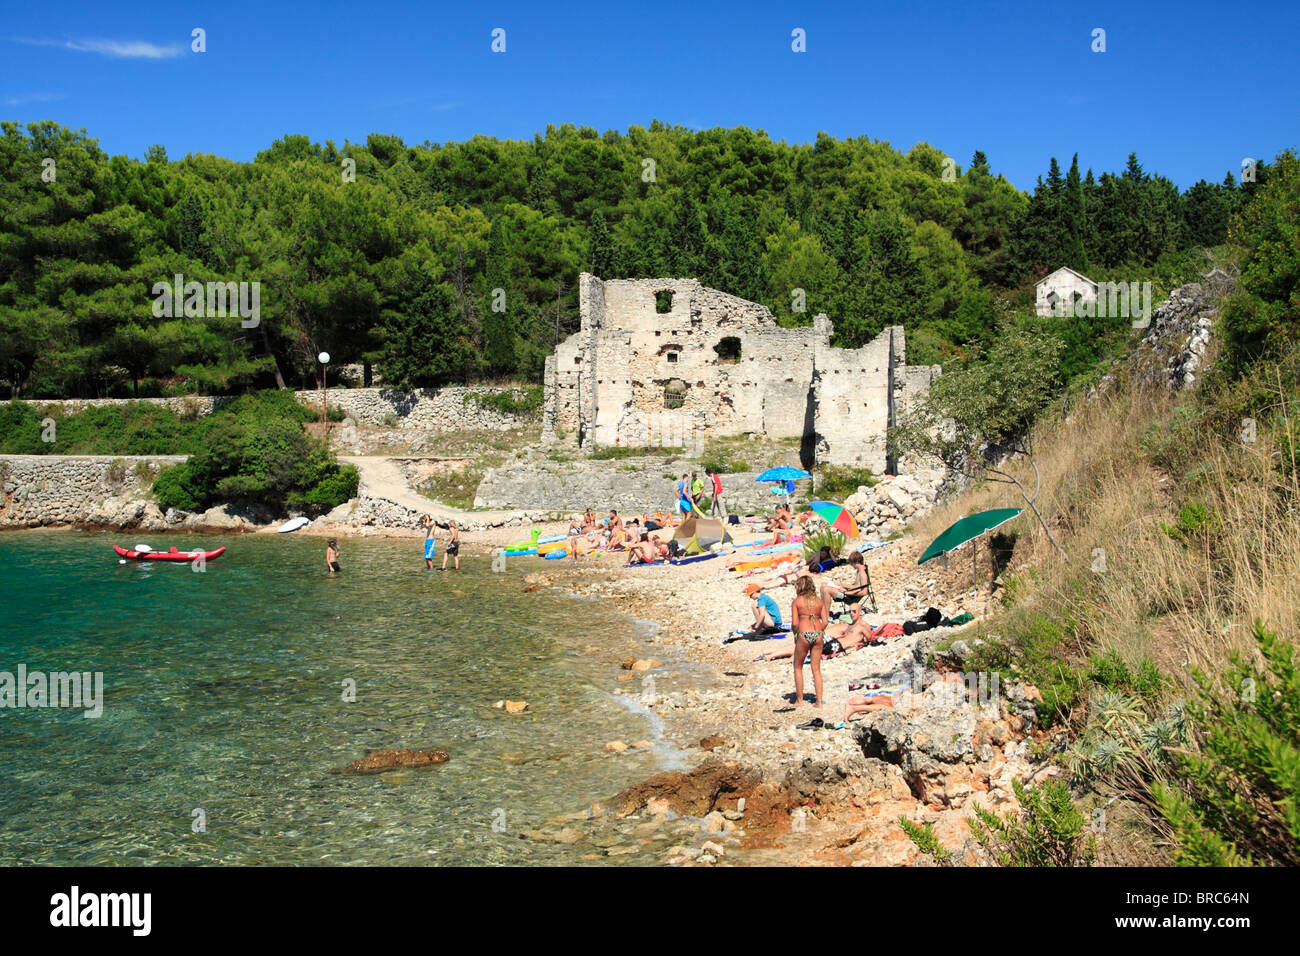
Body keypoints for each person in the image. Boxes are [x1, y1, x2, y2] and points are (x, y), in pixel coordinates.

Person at [790, 575, 828, 710]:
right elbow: (826, 621)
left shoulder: (797, 602)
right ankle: (819, 701)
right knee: (816, 669)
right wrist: (819, 631)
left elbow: (795, 623)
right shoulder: (819, 601)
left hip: (804, 634)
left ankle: (800, 700)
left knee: (798, 667)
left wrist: (796, 635)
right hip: (817, 634)